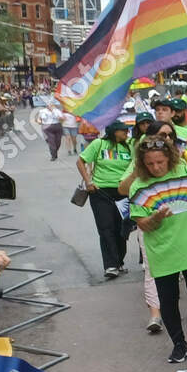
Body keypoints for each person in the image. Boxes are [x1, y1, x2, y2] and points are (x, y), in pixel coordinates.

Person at [128, 134, 187, 366]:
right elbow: (143, 224)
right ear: (142, 163)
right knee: (168, 301)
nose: (156, 167)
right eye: (150, 164)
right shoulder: (139, 186)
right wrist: (156, 217)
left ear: (169, 157)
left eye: (160, 162)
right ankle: (179, 345)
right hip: (161, 251)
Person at [76, 119, 135, 279]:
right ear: (114, 132)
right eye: (123, 131)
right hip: (101, 192)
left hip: (123, 193)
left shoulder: (130, 146)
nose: (126, 133)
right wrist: (88, 181)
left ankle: (119, 261)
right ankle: (110, 265)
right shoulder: (98, 144)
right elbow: (80, 161)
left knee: (122, 229)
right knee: (106, 228)